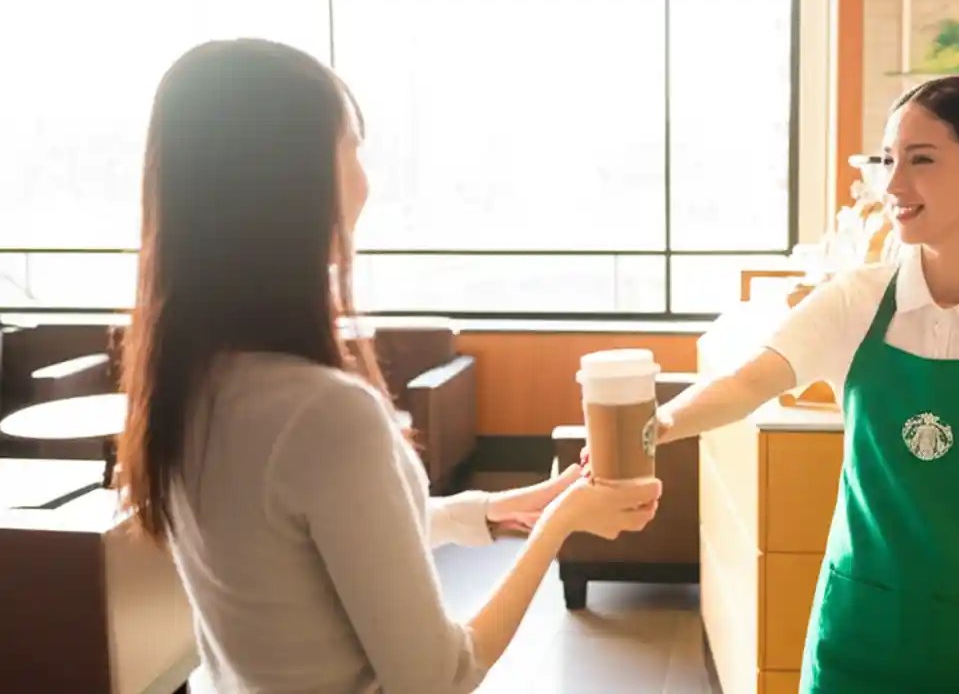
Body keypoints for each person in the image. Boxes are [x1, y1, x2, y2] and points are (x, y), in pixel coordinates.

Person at [115, 38, 662, 694]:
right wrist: (559, 526)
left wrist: (493, 511)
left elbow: (310, 550)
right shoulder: (323, 413)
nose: (364, 181)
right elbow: (440, 676)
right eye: (350, 147)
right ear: (289, 180)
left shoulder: (187, 385)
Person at [640, 76, 959, 692]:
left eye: (922, 160)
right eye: (890, 158)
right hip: (861, 627)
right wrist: (653, 427)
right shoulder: (855, 303)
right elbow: (748, 383)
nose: (892, 184)